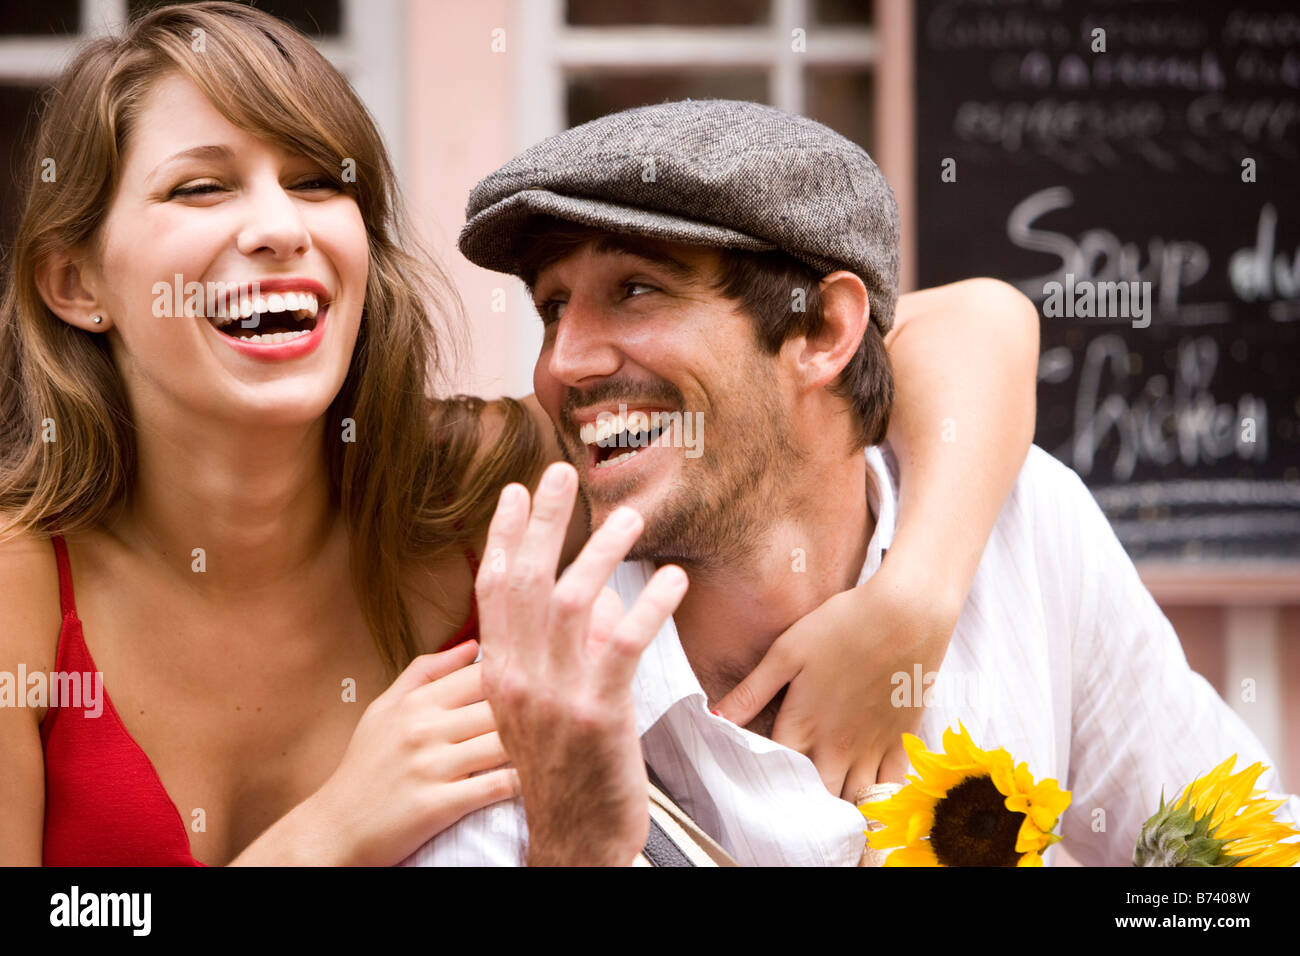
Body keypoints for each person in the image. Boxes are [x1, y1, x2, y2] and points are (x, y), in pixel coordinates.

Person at [0, 4, 1041, 866]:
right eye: (201, 185)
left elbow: (975, 323)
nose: (280, 224)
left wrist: (914, 597)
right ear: (76, 281)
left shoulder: (479, 491)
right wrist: (326, 835)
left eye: (319, 181)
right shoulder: (21, 585)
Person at [417, 99, 1300, 866]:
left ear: (824, 329)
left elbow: (1244, 855)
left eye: (638, 289)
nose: (564, 362)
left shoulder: (1023, 532)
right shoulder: (524, 705)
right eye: (552, 308)